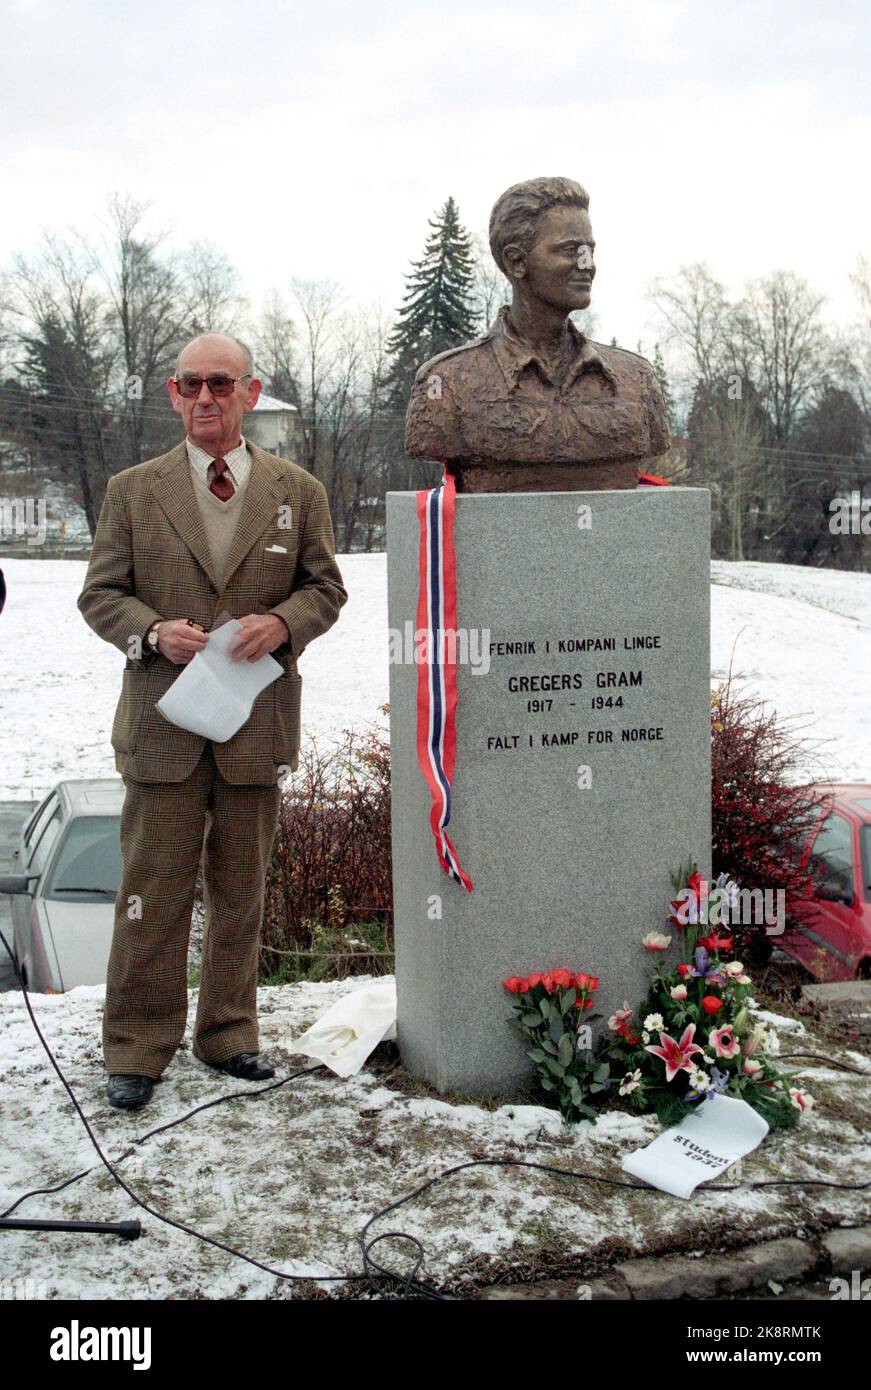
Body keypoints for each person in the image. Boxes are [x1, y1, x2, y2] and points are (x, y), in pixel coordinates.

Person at [78, 333, 347, 1111]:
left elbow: (325, 588)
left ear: (250, 393)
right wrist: (153, 631)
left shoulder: (299, 491)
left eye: (221, 384)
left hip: (253, 726)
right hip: (164, 726)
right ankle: (135, 1046)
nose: (206, 397)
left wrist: (285, 622)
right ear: (171, 392)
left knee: (242, 890)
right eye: (191, 383)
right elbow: (101, 594)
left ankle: (228, 1035)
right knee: (151, 892)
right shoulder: (133, 490)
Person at [405, 175, 671, 493]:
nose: (588, 264)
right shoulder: (446, 384)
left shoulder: (637, 379)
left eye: (589, 250)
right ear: (516, 261)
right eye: (570, 250)